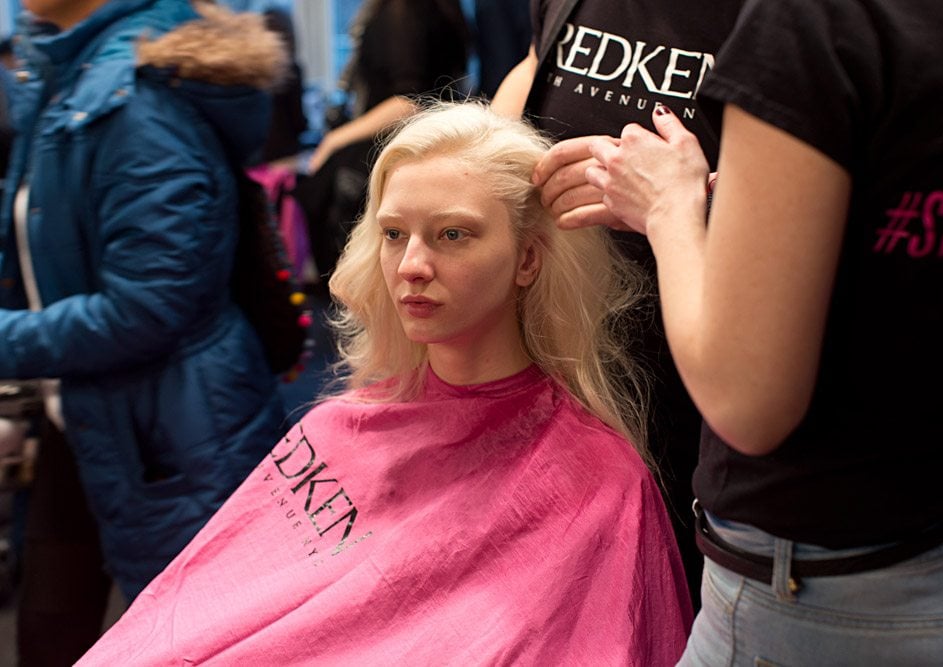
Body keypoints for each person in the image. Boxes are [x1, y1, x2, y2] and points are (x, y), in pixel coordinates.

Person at [77, 102, 694, 665]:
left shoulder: (598, 481)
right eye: (395, 234)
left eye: (452, 235)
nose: (412, 266)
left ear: (528, 259)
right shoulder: (340, 424)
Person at [585, 0, 943, 663]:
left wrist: (667, 207)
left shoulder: (812, 23)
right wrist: (754, 200)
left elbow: (747, 400)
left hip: (821, 593)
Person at [0, 0, 288, 661]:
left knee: (193, 643)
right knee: (51, 632)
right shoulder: (70, 76)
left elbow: (149, 306)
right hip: (86, 409)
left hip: (174, 427)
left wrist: (8, 339)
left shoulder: (136, 100)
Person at [491, 0, 746, 609]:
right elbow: (534, 65)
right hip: (561, 397)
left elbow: (818, 221)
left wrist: (679, 201)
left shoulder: (787, 20)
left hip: (702, 422)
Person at [294, 0, 470, 284]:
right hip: (426, 151)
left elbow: (408, 102)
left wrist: (334, 140)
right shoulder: (434, 8)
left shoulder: (404, 10)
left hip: (393, 154)